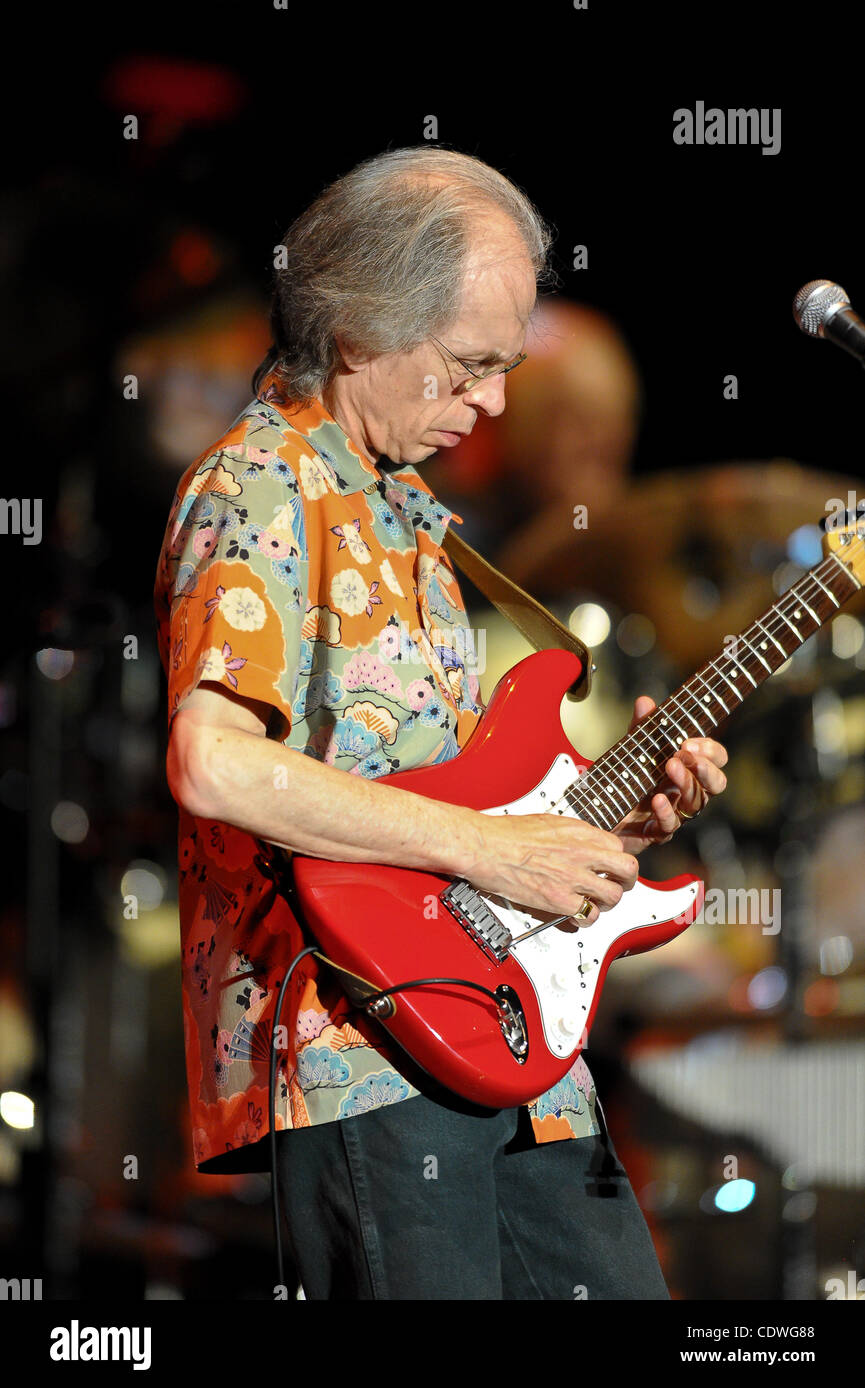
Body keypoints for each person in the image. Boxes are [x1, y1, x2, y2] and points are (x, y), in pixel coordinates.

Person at [154, 146, 728, 1300]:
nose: (498, 403)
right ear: (364, 331)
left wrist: (613, 821)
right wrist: (489, 849)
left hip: (507, 1027)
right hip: (358, 1038)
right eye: (470, 367)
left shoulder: (412, 512)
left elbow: (469, 798)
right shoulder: (260, 483)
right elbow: (212, 763)